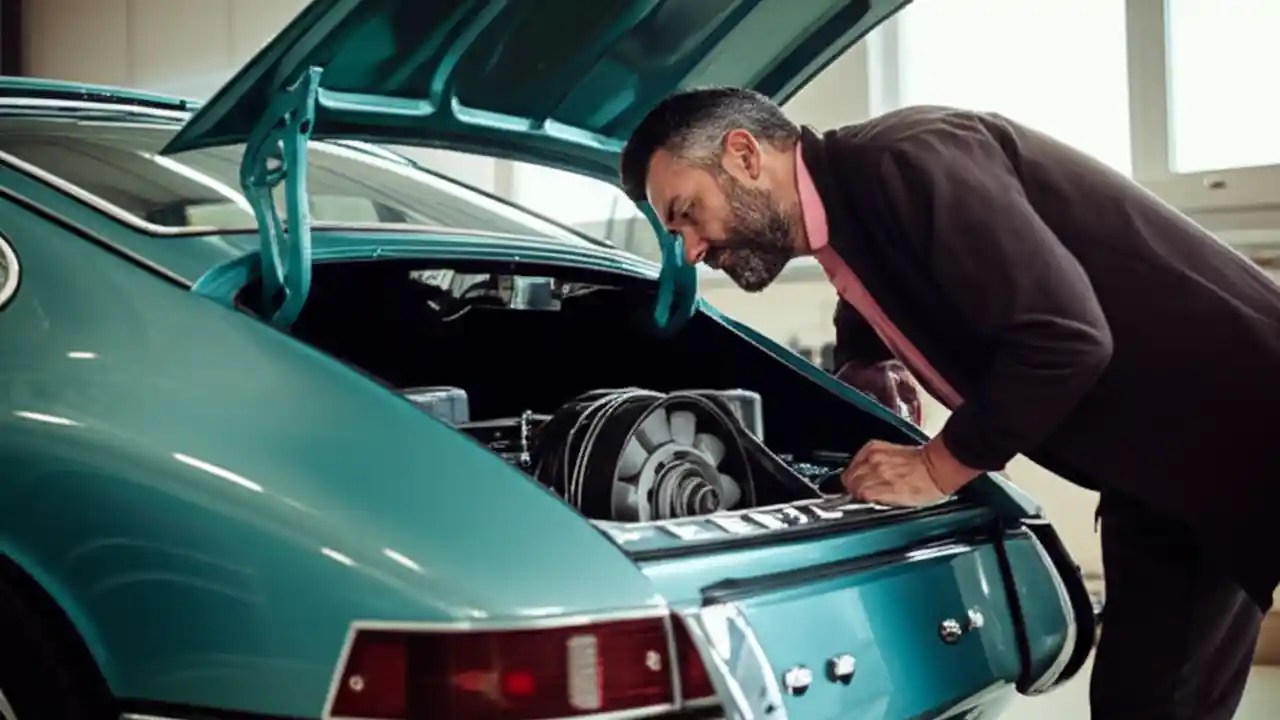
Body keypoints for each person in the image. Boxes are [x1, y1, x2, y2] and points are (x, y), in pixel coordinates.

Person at [619, 86, 1280, 720]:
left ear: (743, 155)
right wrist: (863, 362)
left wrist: (939, 466)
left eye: (685, 213)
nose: (692, 249)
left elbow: (1064, 340)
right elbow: (873, 280)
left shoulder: (909, 160)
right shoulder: (854, 198)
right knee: (1147, 707)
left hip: (1243, 424)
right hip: (1165, 469)